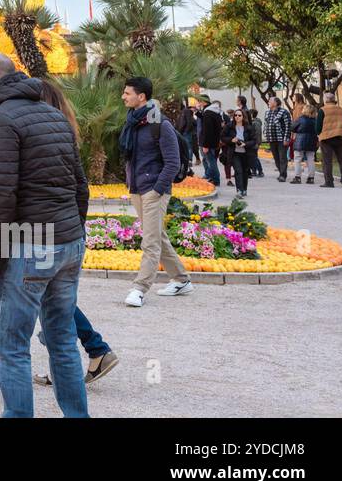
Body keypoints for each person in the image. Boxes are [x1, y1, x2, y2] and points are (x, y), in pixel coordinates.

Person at [0, 51, 88, 418]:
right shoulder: (54, 115)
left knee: (11, 347)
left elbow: (0, 194)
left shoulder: (1, 120)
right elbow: (80, 186)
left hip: (32, 247)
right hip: (68, 243)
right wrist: (73, 233)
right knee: (63, 341)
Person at [32, 77, 120, 388]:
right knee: (57, 302)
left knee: (52, 303)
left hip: (47, 233)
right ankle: (93, 352)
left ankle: (91, 353)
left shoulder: (41, 134)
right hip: (68, 231)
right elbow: (80, 188)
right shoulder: (65, 129)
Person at [120, 77, 194, 306]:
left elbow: (172, 162)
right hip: (137, 189)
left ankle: (139, 289)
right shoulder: (132, 122)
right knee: (158, 236)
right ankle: (181, 280)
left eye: (127, 93)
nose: (123, 97)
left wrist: (157, 190)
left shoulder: (161, 124)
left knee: (150, 241)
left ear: (141, 97)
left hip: (153, 191)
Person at [220, 108, 257, 199]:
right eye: (235, 115)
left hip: (246, 153)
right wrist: (231, 140)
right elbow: (222, 137)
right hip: (234, 153)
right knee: (238, 171)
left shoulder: (249, 127)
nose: (237, 117)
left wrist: (245, 144)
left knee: (244, 171)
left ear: (243, 116)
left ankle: (244, 189)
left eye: (239, 115)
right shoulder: (229, 126)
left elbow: (254, 141)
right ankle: (239, 190)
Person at [317, 93, 342, 188]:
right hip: (339, 136)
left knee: (327, 161)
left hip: (326, 137)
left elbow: (318, 126)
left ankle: (329, 182)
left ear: (326, 100)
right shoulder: (341, 109)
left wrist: (319, 134)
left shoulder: (322, 110)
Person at [263, 96, 292, 182]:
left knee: (282, 157)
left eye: (270, 101)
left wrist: (286, 138)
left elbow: (288, 126)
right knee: (276, 158)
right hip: (272, 139)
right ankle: (281, 172)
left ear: (275, 103)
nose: (268, 102)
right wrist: (266, 135)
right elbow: (266, 124)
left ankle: (283, 175)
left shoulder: (284, 112)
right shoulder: (267, 112)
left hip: (281, 138)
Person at [198, 99, 224, 187]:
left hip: (208, 143)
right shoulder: (216, 113)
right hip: (214, 141)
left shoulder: (208, 113)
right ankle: (213, 178)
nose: (199, 103)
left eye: (200, 101)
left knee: (211, 161)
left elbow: (207, 130)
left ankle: (216, 180)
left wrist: (205, 145)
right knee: (211, 160)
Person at [291, 104, 318, 184]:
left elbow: (292, 128)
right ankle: (311, 178)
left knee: (298, 159)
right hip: (312, 140)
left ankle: (297, 177)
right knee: (310, 159)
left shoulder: (300, 119)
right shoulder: (315, 120)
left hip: (300, 140)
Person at [248, 109, 264, 177]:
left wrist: (257, 143)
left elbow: (258, 133)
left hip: (255, 142)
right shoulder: (252, 122)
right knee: (252, 157)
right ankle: (254, 171)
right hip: (251, 142)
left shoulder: (256, 122)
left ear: (251, 114)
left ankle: (260, 171)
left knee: (254, 157)